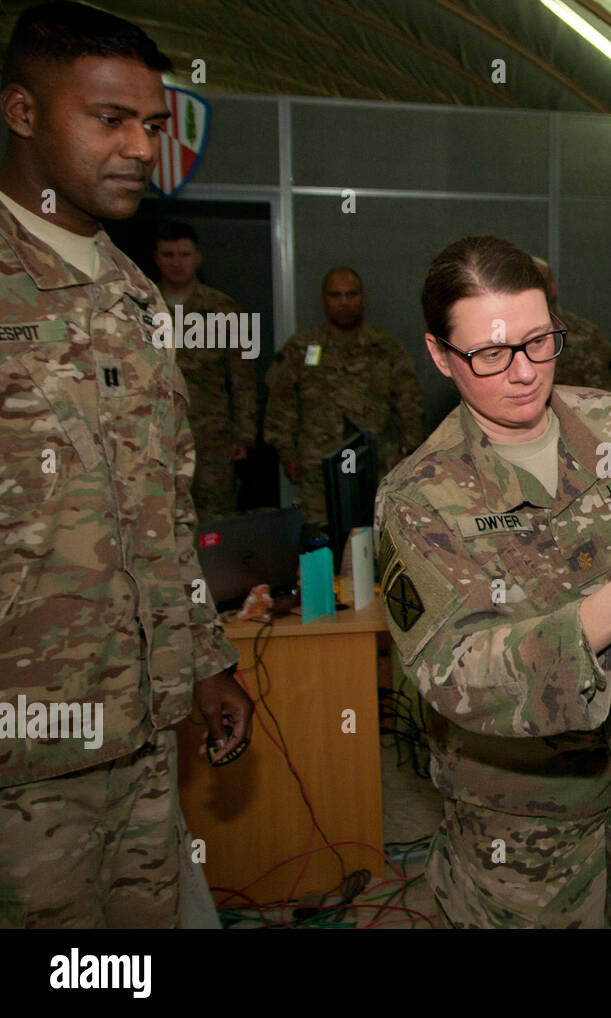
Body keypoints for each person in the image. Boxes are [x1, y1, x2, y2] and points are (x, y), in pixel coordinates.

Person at [375, 235, 611, 927]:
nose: (524, 373)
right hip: (524, 816)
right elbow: (454, 670)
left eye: (541, 341)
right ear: (438, 354)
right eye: (490, 353)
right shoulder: (419, 496)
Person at [0, 1, 252, 928]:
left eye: (152, 125)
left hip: (141, 740)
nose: (142, 149)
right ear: (22, 113)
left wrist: (206, 663)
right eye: (108, 120)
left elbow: (165, 515)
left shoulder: (132, 293)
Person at [264, 266, 424, 530]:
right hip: (318, 468)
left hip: (375, 466)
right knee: (319, 539)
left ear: (362, 298)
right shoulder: (302, 347)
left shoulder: (385, 347)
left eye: (351, 294)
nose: (344, 302)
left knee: (376, 537)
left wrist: (408, 451)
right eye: (335, 295)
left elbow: (409, 402)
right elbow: (281, 404)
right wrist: (287, 453)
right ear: (324, 300)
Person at [154, 220, 258, 520]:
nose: (177, 263)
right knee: (160, 517)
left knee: (215, 519)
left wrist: (244, 435)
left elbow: (242, 378)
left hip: (212, 438)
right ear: (157, 258)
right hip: (157, 435)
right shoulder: (140, 304)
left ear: (197, 257)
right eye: (168, 255)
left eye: (184, 255)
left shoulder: (224, 309)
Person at [531, 256, 611, 394]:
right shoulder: (501, 331)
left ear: (553, 287)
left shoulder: (585, 336)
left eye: (540, 282)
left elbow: (608, 394)